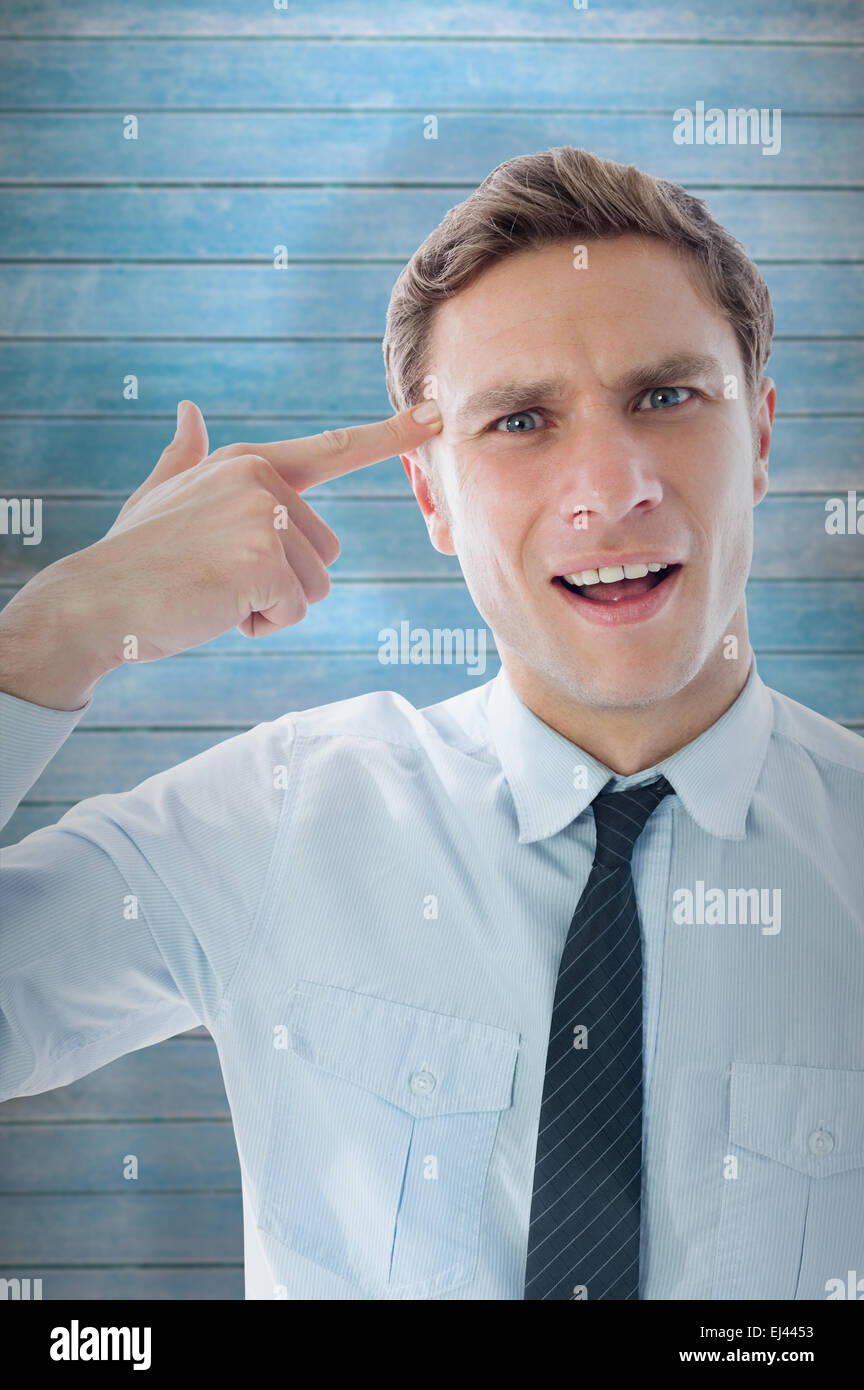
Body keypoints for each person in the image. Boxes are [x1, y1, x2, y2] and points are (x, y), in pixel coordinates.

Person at [1, 146, 862, 1302]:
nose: (609, 488)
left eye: (665, 397)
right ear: (430, 496)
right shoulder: (269, 823)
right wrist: (57, 631)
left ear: (757, 437)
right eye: (519, 420)